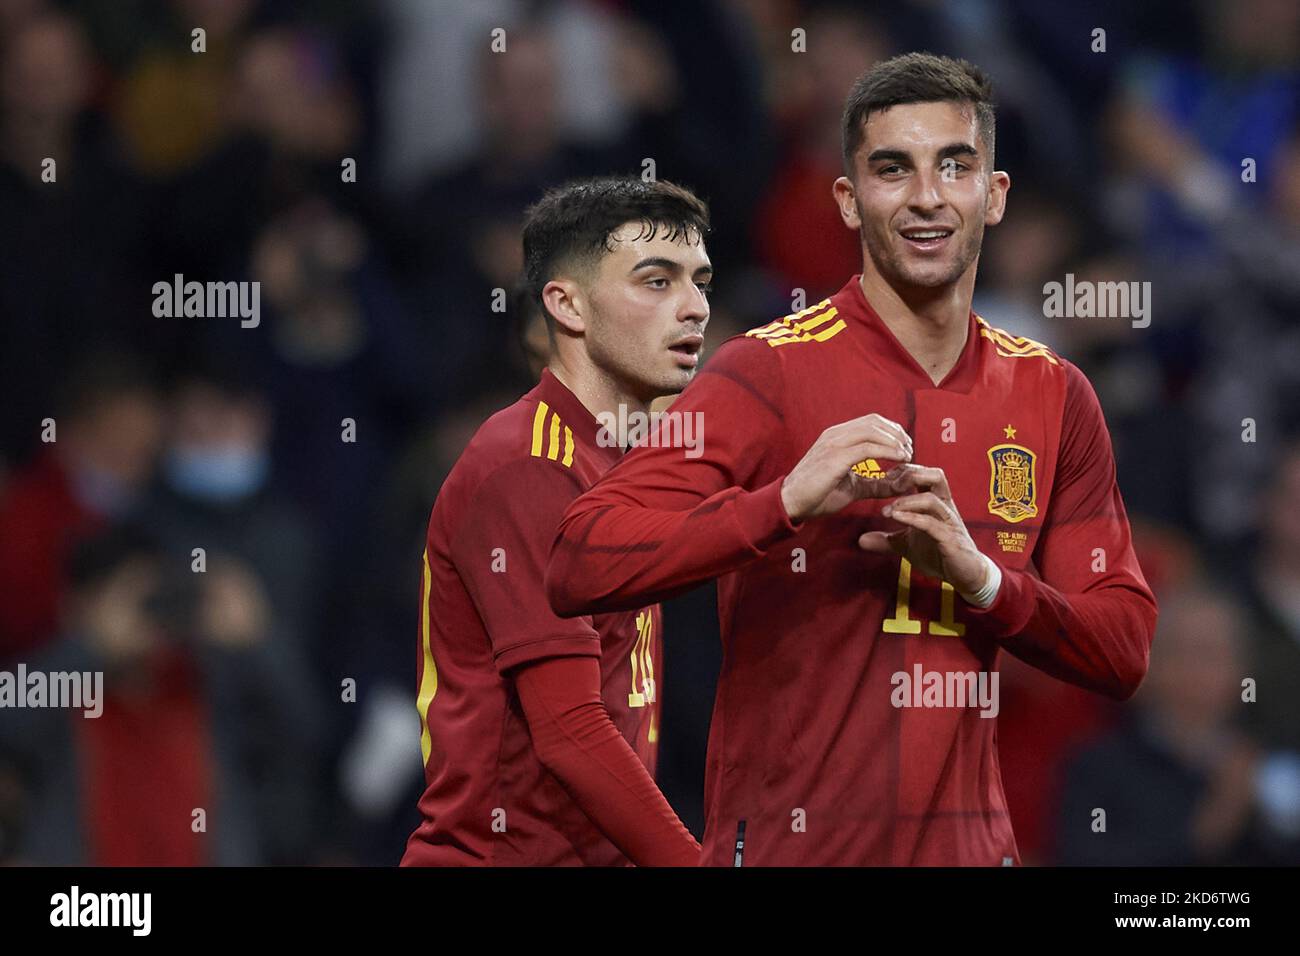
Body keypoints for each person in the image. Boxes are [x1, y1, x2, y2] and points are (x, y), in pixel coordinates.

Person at [547, 53, 1157, 866]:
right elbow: (581, 558)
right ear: (848, 198)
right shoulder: (766, 372)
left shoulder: (1054, 394)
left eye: (955, 165)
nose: (928, 197)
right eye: (892, 169)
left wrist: (980, 579)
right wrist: (785, 503)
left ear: (995, 195)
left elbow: (1122, 649)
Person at [401, 177, 710, 866]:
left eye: (700, 280)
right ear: (566, 305)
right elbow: (569, 730)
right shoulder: (530, 467)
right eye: (656, 282)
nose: (694, 308)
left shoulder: (623, 463)